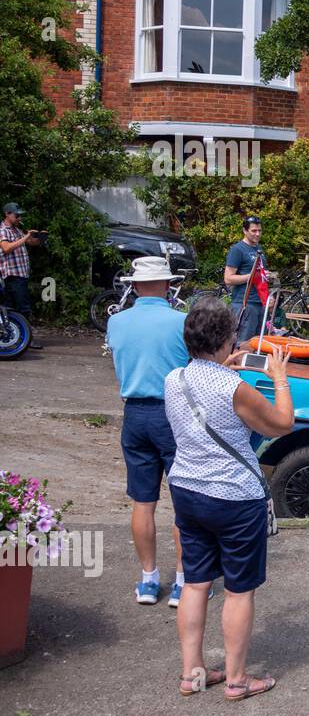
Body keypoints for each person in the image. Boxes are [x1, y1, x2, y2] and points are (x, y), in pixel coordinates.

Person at [163, 299, 294, 701]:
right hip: (235, 498)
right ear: (226, 340)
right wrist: (280, 377)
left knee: (195, 582)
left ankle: (193, 674)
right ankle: (237, 680)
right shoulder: (234, 387)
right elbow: (283, 423)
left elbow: (206, 400)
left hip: (186, 489)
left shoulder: (173, 379)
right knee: (239, 590)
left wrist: (221, 365)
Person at [105, 257, 191, 606]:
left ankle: (148, 580)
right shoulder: (181, 321)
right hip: (173, 412)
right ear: (168, 285)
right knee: (185, 501)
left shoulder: (116, 322)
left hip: (134, 413)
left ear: (134, 286)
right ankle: (185, 581)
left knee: (143, 502)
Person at [1, 201, 44, 350]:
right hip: (12, 275)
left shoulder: (16, 230)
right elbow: (6, 248)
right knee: (22, 307)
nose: (19, 218)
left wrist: (38, 238)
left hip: (21, 274)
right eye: (17, 215)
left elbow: (31, 242)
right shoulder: (3, 230)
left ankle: (15, 338)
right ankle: (27, 339)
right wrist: (26, 237)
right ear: (7, 214)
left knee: (13, 307)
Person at [224, 216, 267, 344]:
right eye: (254, 231)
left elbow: (260, 276)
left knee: (260, 345)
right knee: (242, 345)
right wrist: (252, 276)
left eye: (259, 230)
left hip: (260, 303)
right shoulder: (237, 250)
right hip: (244, 305)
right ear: (245, 230)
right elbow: (228, 278)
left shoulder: (259, 249)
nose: (257, 234)